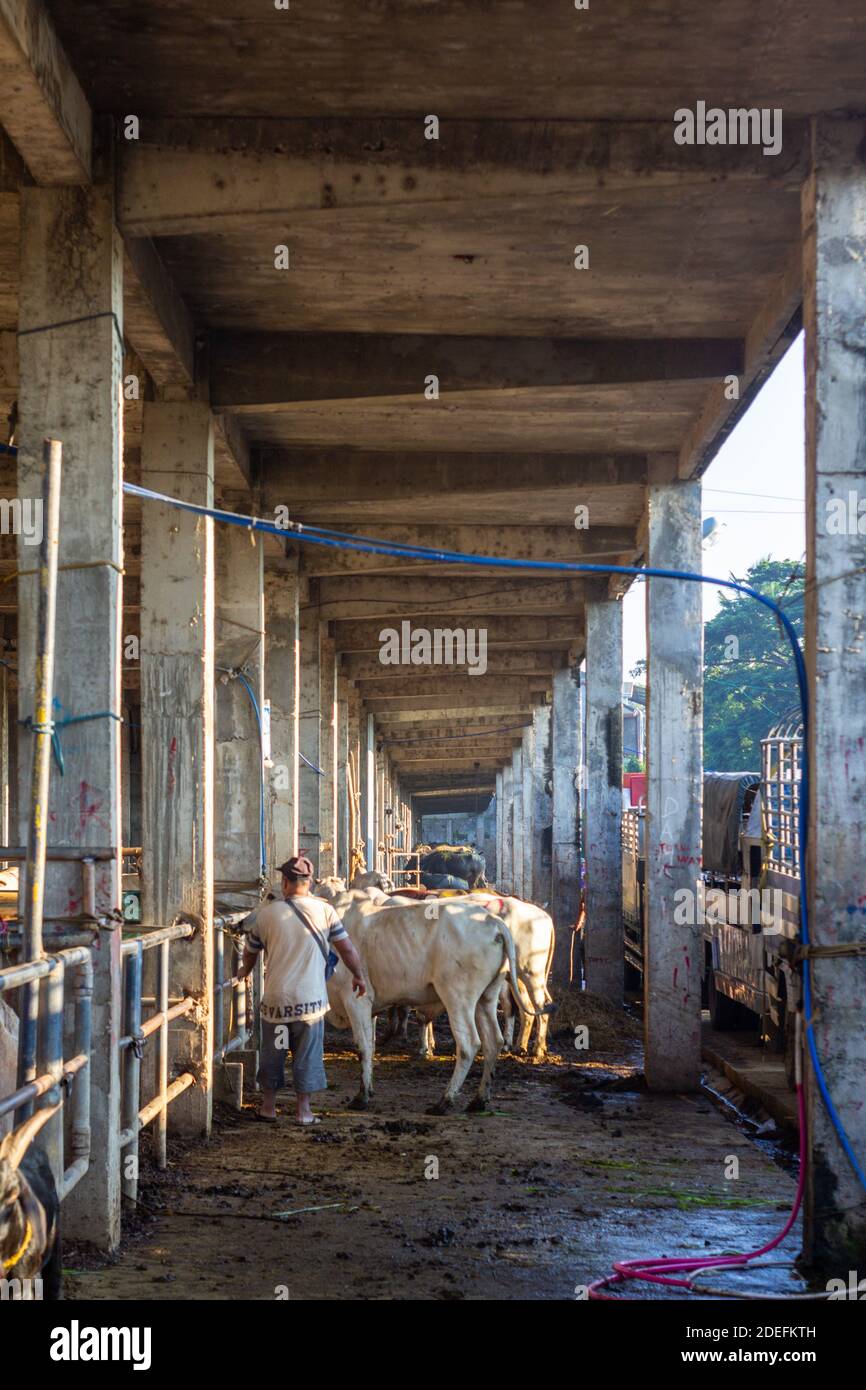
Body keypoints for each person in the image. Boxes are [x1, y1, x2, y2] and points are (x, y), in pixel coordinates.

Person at [237, 855, 366, 1125]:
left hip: (277, 1005)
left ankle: (269, 1108)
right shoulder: (325, 912)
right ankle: (303, 1112)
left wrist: (243, 973)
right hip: (310, 1004)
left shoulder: (267, 914)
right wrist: (358, 976)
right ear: (308, 883)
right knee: (306, 1055)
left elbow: (250, 952)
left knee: (275, 1053)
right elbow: (347, 949)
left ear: (285, 882)